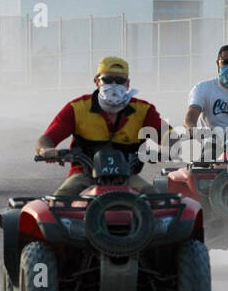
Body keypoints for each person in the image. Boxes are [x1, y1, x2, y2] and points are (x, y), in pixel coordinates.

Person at [35, 56, 165, 198]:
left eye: (120, 81)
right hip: (84, 176)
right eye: (108, 80)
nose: (114, 85)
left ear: (128, 84)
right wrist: (46, 150)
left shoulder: (144, 110)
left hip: (126, 177)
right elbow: (47, 138)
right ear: (97, 82)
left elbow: (166, 134)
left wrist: (175, 146)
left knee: (154, 198)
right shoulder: (77, 108)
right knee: (59, 201)